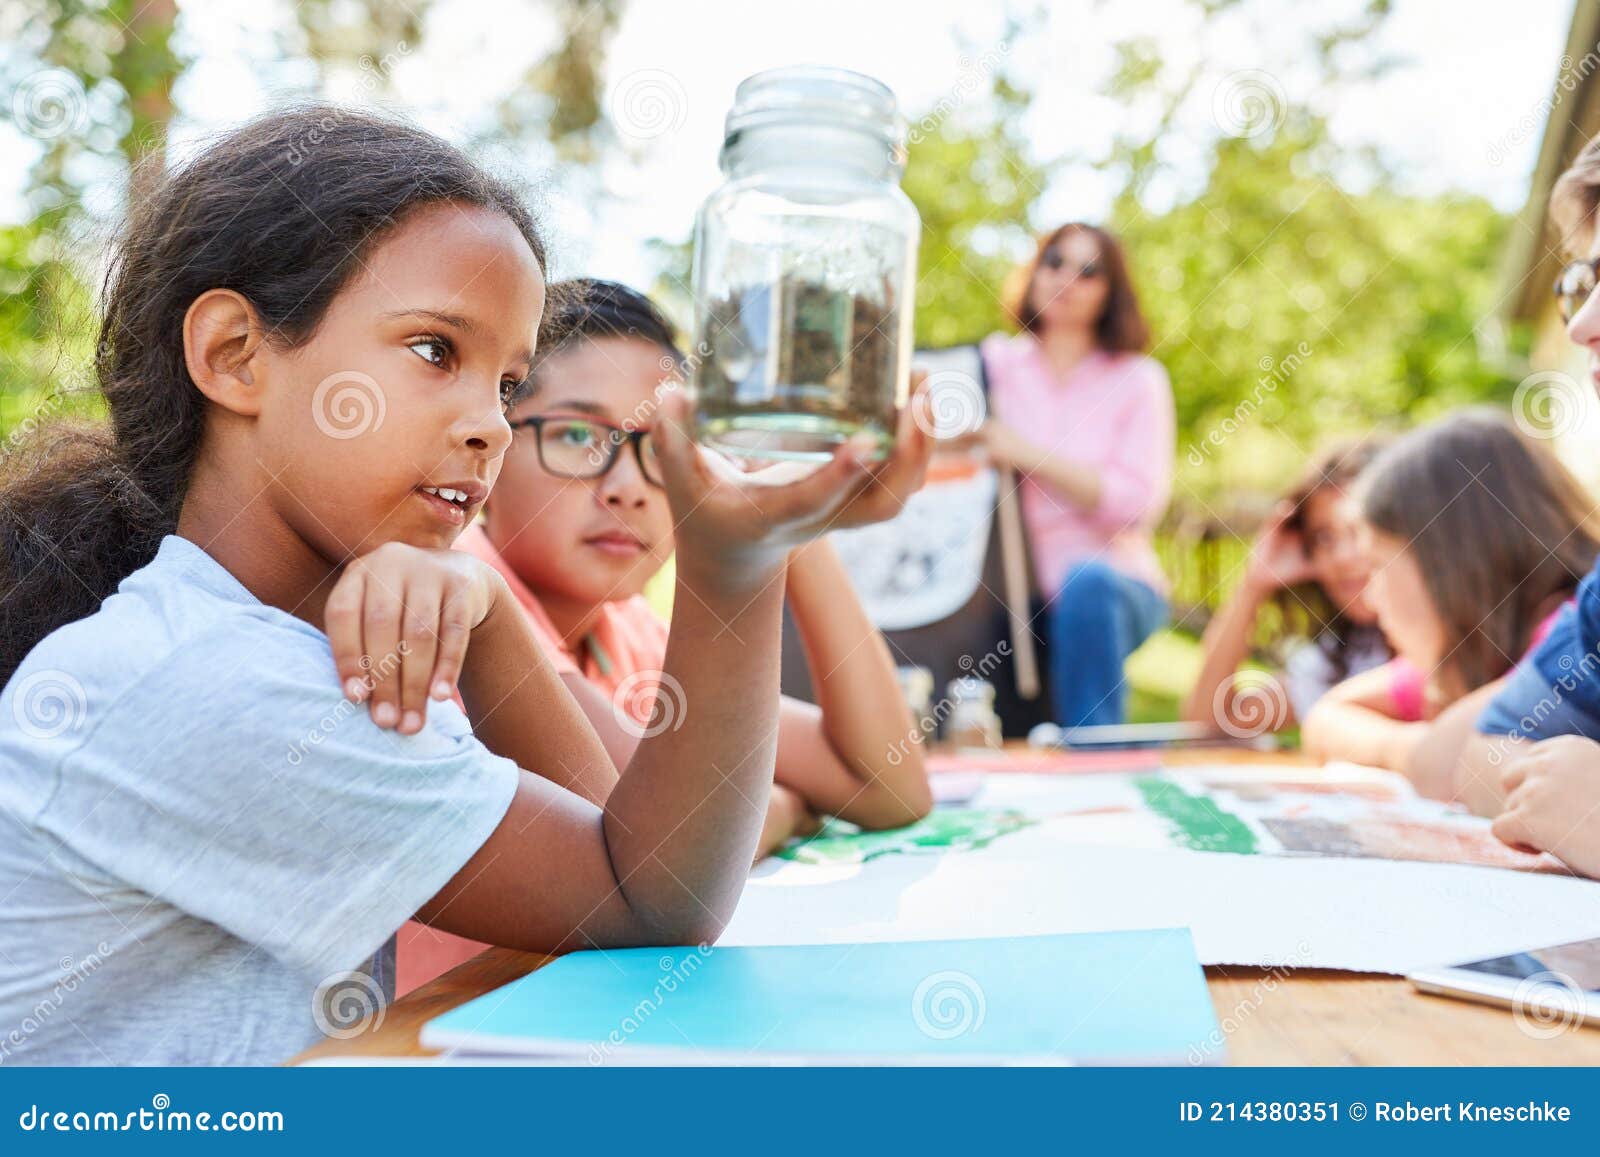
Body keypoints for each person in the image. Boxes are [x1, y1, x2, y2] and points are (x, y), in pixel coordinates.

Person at [0, 106, 931, 1064]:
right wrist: (738, 561)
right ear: (236, 354)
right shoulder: (214, 678)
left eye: (505, 383)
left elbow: (630, 852)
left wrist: (487, 617)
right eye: (436, 350)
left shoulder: (336, 645)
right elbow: (655, 897)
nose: (489, 425)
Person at [396, 280, 934, 993]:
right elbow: (664, 853)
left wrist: (789, 515)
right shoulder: (454, 592)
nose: (629, 486)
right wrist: (781, 805)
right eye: (581, 437)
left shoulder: (629, 631)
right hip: (434, 1046)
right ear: (492, 438)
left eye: (664, 450)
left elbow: (888, 784)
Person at [1301, 410, 1597, 783]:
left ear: (1445, 565)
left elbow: (1449, 765)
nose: (1373, 599)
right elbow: (1327, 715)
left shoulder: (1573, 634)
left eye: (1377, 566)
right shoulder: (1476, 652)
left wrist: (1414, 750)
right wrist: (1412, 747)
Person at [978, 222, 1175, 727]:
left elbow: (1135, 503)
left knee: (1087, 584)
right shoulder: (994, 364)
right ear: (1034, 271)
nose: (1067, 278)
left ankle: (1097, 762)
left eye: (1089, 271)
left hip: (1113, 589)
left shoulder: (1138, 380)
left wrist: (1024, 453)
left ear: (1111, 292)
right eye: (1055, 261)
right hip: (1010, 595)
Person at [1183, 439, 1390, 735]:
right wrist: (1253, 586)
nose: (1342, 557)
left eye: (1358, 529)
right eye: (1324, 537)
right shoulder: (1346, 656)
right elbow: (1207, 725)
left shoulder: (1453, 651)